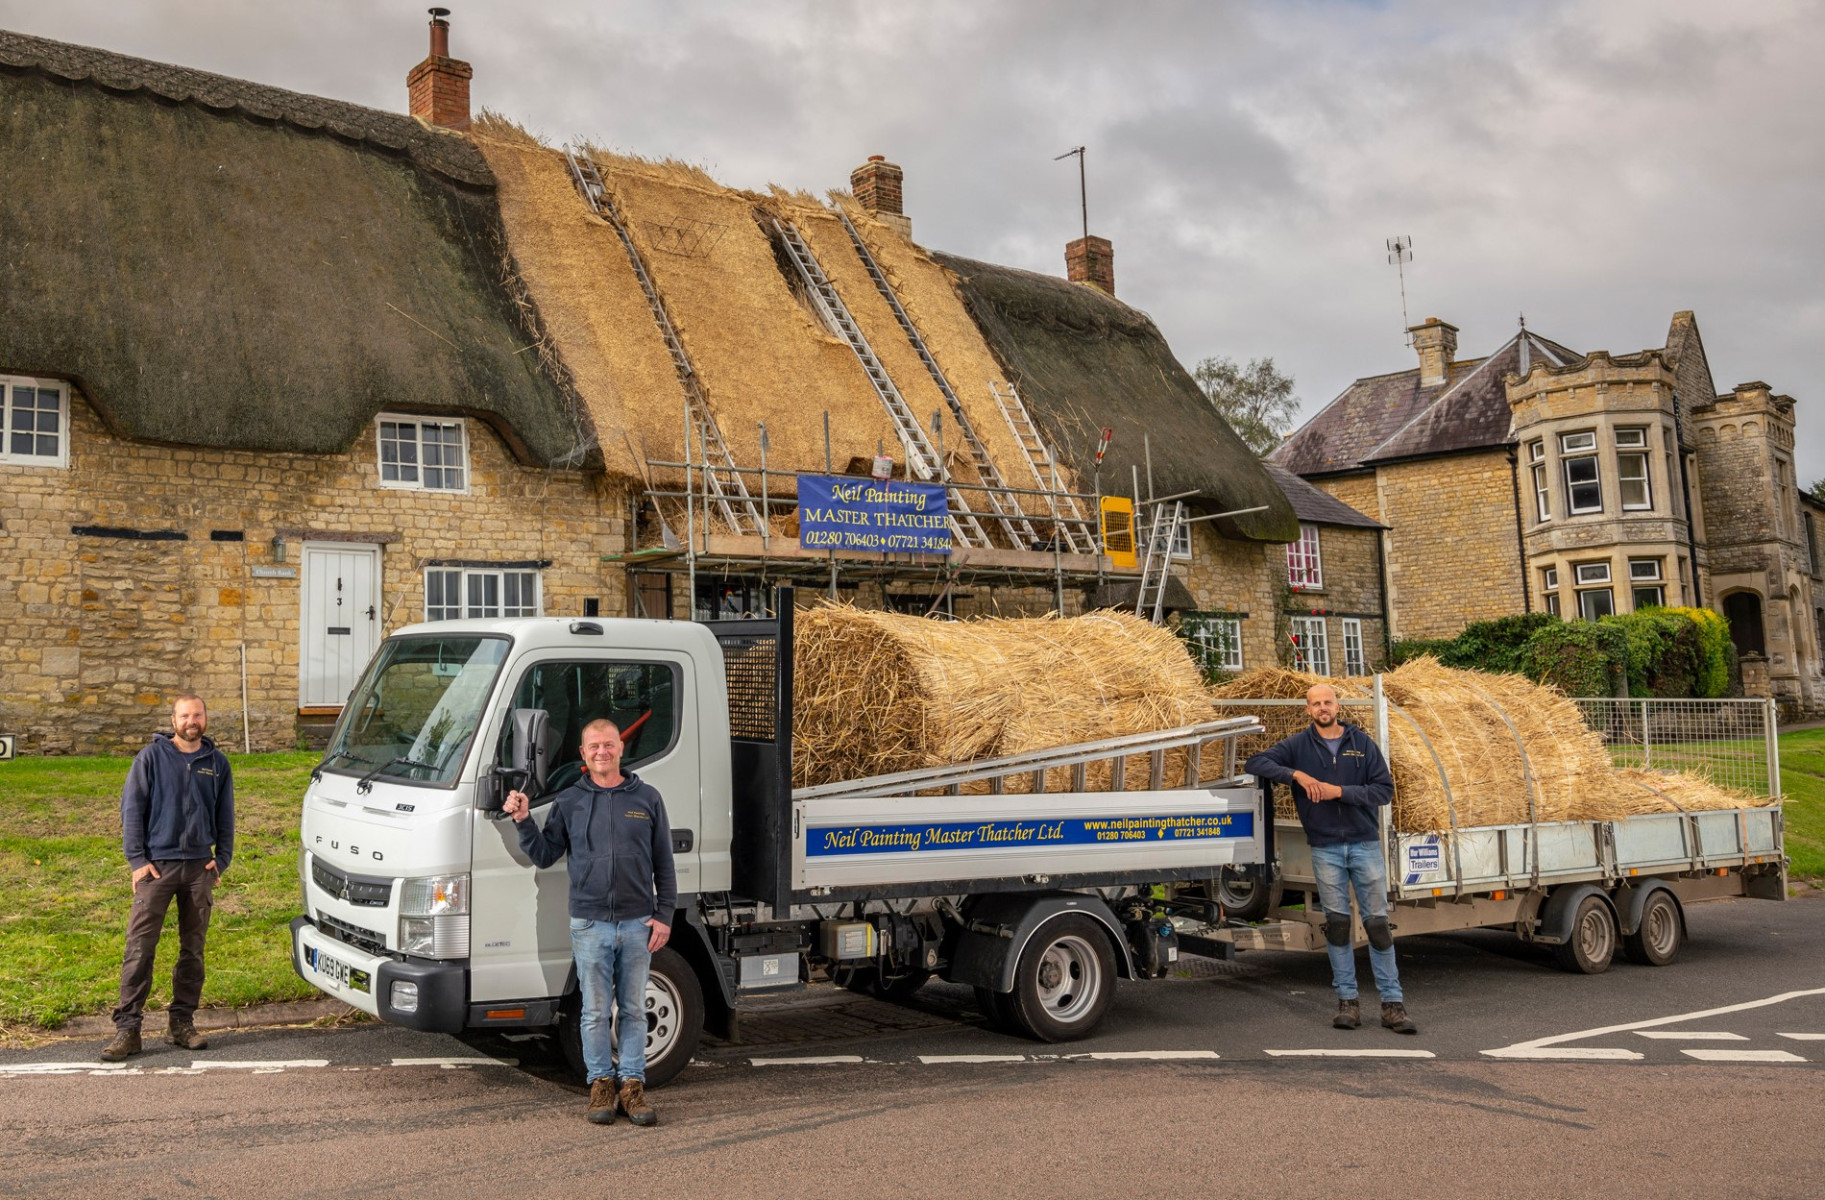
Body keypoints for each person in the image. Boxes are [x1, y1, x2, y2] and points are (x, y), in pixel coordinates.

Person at [504, 718, 675, 1127]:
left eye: (609, 745)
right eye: (594, 746)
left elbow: (664, 863)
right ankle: (600, 1084)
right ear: (583, 754)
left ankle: (632, 1086)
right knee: (595, 1011)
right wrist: (524, 821)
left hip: (637, 923)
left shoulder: (648, 798)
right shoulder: (570, 801)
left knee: (633, 1009)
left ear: (621, 748)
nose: (602, 752)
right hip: (590, 924)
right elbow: (545, 855)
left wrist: (664, 915)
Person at [1244, 683, 1416, 1034]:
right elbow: (1256, 762)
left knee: (1378, 926)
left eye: (1328, 702)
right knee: (1337, 925)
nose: (1323, 708)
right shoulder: (1298, 745)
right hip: (1325, 847)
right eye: (1316, 703)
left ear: (1338, 706)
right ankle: (1348, 1002)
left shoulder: (1361, 744)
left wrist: (1340, 792)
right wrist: (1297, 774)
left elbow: (1383, 790)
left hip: (1365, 844)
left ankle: (1392, 1005)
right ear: (1308, 710)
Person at [102, 694, 235, 1061]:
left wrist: (221, 860)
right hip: (156, 868)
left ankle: (182, 1024)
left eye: (197, 714)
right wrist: (137, 862)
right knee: (140, 948)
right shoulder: (150, 758)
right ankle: (128, 1030)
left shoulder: (217, 763)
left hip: (198, 869)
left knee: (192, 949)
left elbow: (226, 818)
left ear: (205, 719)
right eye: (185, 715)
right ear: (173, 719)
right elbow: (132, 810)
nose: (191, 721)